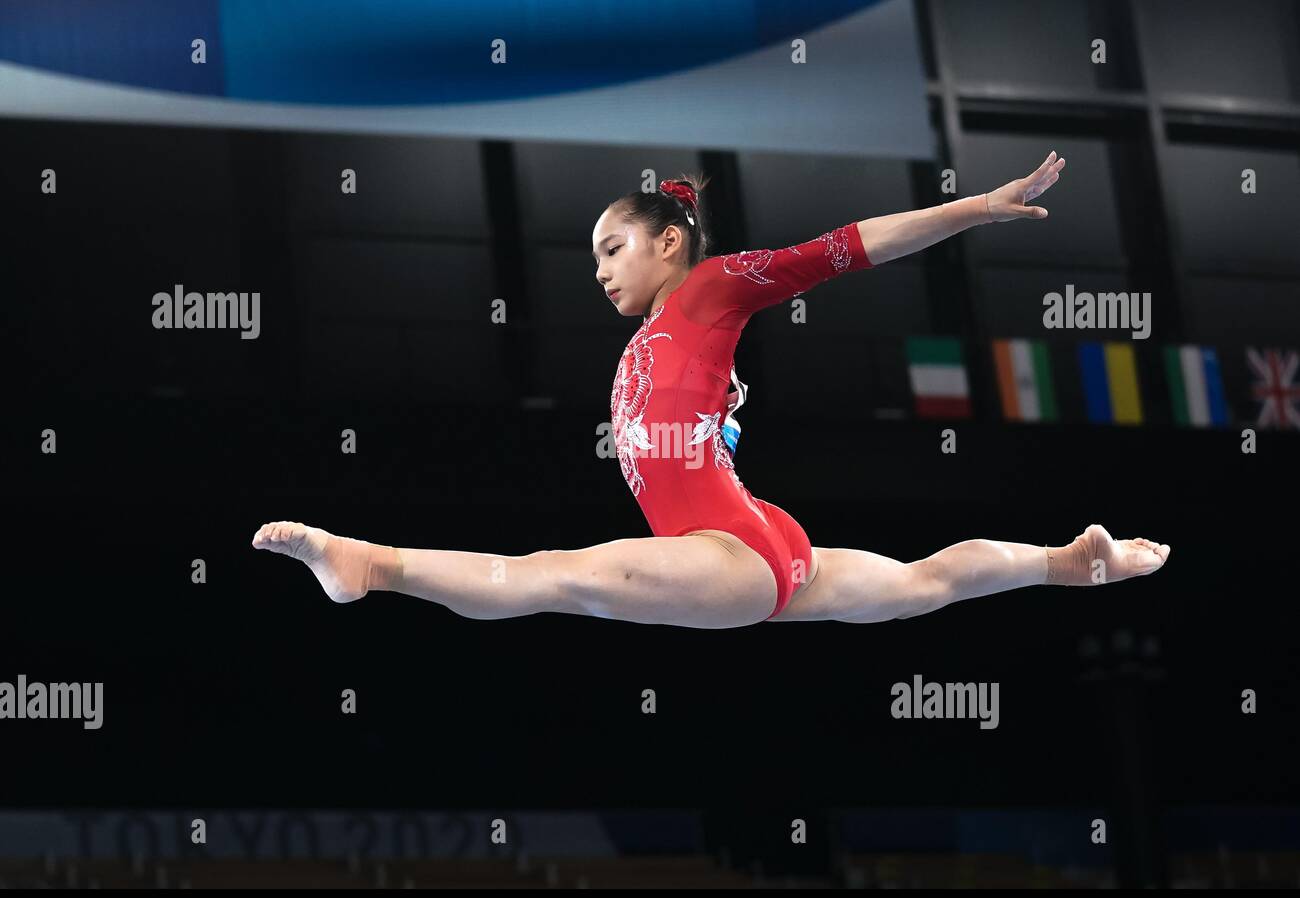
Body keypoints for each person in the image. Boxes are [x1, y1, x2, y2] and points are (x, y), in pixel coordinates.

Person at [253, 151, 1170, 628]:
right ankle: (1068, 562)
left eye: (614, 248)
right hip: (760, 542)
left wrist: (971, 207)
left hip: (727, 549)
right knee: (923, 582)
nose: (600, 271)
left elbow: (842, 247)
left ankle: (368, 563)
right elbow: (693, 432)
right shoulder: (664, 330)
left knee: (555, 578)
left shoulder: (711, 283)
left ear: (669, 242)